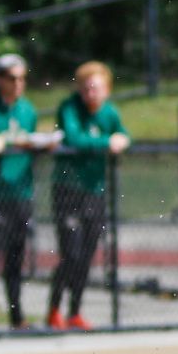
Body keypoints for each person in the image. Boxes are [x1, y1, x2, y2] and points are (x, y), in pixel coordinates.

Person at [0, 54, 51, 330]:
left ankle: (17, 317)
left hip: (22, 194)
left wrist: (38, 142)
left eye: (22, 78)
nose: (19, 84)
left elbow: (22, 139)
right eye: (13, 78)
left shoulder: (28, 110)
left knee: (16, 258)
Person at [46, 60, 128, 331]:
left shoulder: (110, 112)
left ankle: (75, 311)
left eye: (96, 88)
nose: (90, 94)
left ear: (106, 89)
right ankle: (54, 308)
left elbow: (123, 134)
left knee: (87, 254)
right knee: (71, 253)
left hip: (95, 192)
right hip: (68, 191)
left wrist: (123, 139)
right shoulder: (69, 108)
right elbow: (74, 138)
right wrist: (106, 142)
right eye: (86, 88)